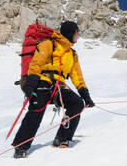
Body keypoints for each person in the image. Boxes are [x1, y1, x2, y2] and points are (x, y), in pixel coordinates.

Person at [12, 21, 94, 157]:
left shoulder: (72, 54)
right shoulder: (49, 44)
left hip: (59, 85)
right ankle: (20, 147)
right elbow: (36, 64)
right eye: (77, 32)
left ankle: (62, 138)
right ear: (70, 32)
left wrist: (86, 96)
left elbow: (77, 77)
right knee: (36, 111)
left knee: (77, 103)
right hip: (41, 81)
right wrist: (30, 86)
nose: (78, 35)